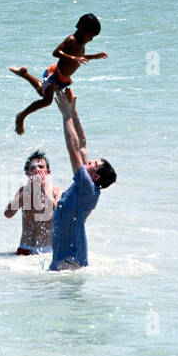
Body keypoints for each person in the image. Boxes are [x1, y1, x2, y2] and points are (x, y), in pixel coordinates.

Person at [49, 90, 116, 271]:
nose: (90, 161)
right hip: (66, 259)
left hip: (70, 262)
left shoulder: (87, 186)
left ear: (96, 176)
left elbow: (74, 149)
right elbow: (83, 144)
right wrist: (73, 111)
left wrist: (65, 116)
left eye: (94, 163)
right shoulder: (89, 184)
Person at [9, 13, 108, 135]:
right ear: (82, 29)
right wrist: (72, 57)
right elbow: (56, 52)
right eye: (91, 35)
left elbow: (79, 57)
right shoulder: (72, 40)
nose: (91, 39)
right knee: (46, 100)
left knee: (42, 91)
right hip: (56, 74)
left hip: (62, 77)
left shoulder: (82, 43)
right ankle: (21, 116)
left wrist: (94, 56)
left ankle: (24, 74)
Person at [4, 149, 61, 255]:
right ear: (28, 173)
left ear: (48, 172)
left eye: (41, 167)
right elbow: (8, 214)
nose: (37, 170)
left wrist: (45, 191)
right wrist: (27, 191)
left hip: (48, 250)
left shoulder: (56, 191)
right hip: (25, 248)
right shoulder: (23, 191)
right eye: (33, 167)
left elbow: (63, 213)